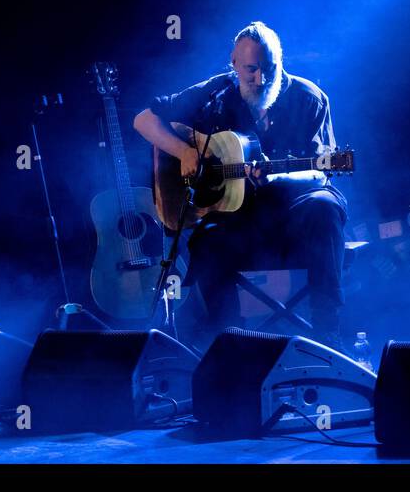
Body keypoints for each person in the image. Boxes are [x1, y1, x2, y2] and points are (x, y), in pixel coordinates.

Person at [132, 21, 348, 351]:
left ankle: (327, 339)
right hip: (240, 217)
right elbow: (144, 119)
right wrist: (185, 151)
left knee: (325, 206)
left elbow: (321, 171)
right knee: (209, 241)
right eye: (250, 70)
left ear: (281, 62)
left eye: (269, 69)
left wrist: (276, 176)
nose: (260, 79)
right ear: (233, 63)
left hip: (294, 213)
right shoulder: (215, 94)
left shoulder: (309, 99)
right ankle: (231, 345)